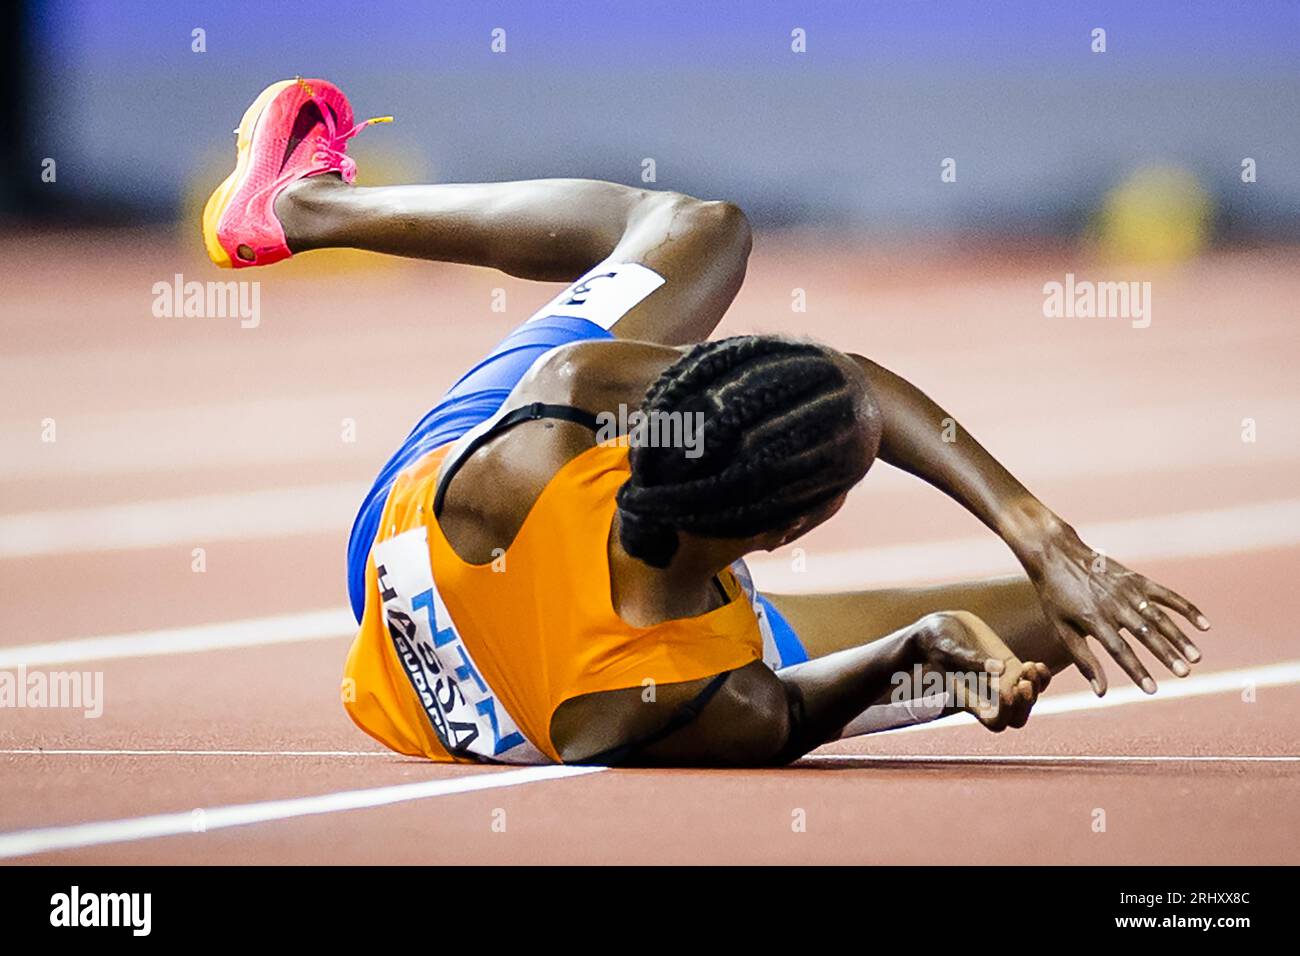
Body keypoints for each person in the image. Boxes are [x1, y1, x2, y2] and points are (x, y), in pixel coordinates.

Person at [204, 78, 1211, 767]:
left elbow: (845, 387)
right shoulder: (701, 694)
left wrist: (1034, 546)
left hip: (432, 529)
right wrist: (925, 654)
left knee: (699, 229)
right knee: (1064, 622)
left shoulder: (557, 413)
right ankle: (307, 213)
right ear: (777, 540)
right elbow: (802, 709)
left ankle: (298, 209)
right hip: (571, 656)